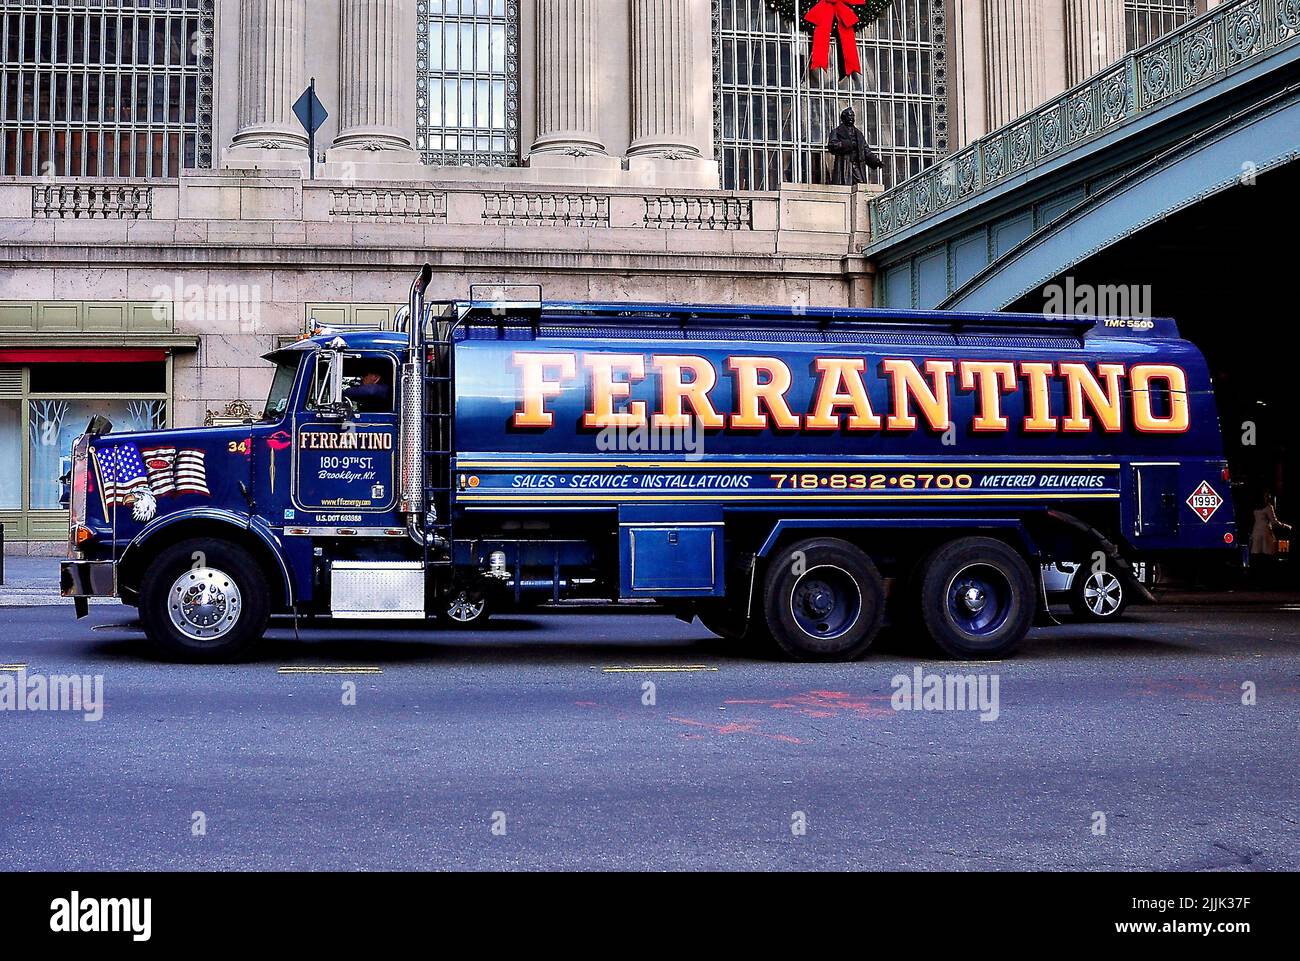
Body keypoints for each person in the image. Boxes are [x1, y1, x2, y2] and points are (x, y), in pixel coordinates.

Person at [826, 106, 885, 187]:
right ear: (844, 117)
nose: (851, 118)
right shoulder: (836, 131)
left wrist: (875, 161)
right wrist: (847, 144)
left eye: (853, 116)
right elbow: (832, 145)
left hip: (857, 164)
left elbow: (866, 150)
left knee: (861, 185)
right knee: (845, 186)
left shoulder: (858, 134)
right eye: (849, 116)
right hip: (845, 164)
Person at [1249, 491, 1290, 586]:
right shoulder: (1268, 507)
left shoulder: (1255, 508)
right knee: (1267, 556)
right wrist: (1286, 526)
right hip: (1265, 532)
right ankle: (1267, 580)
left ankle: (1255, 580)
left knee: (1257, 556)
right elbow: (1274, 521)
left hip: (1256, 532)